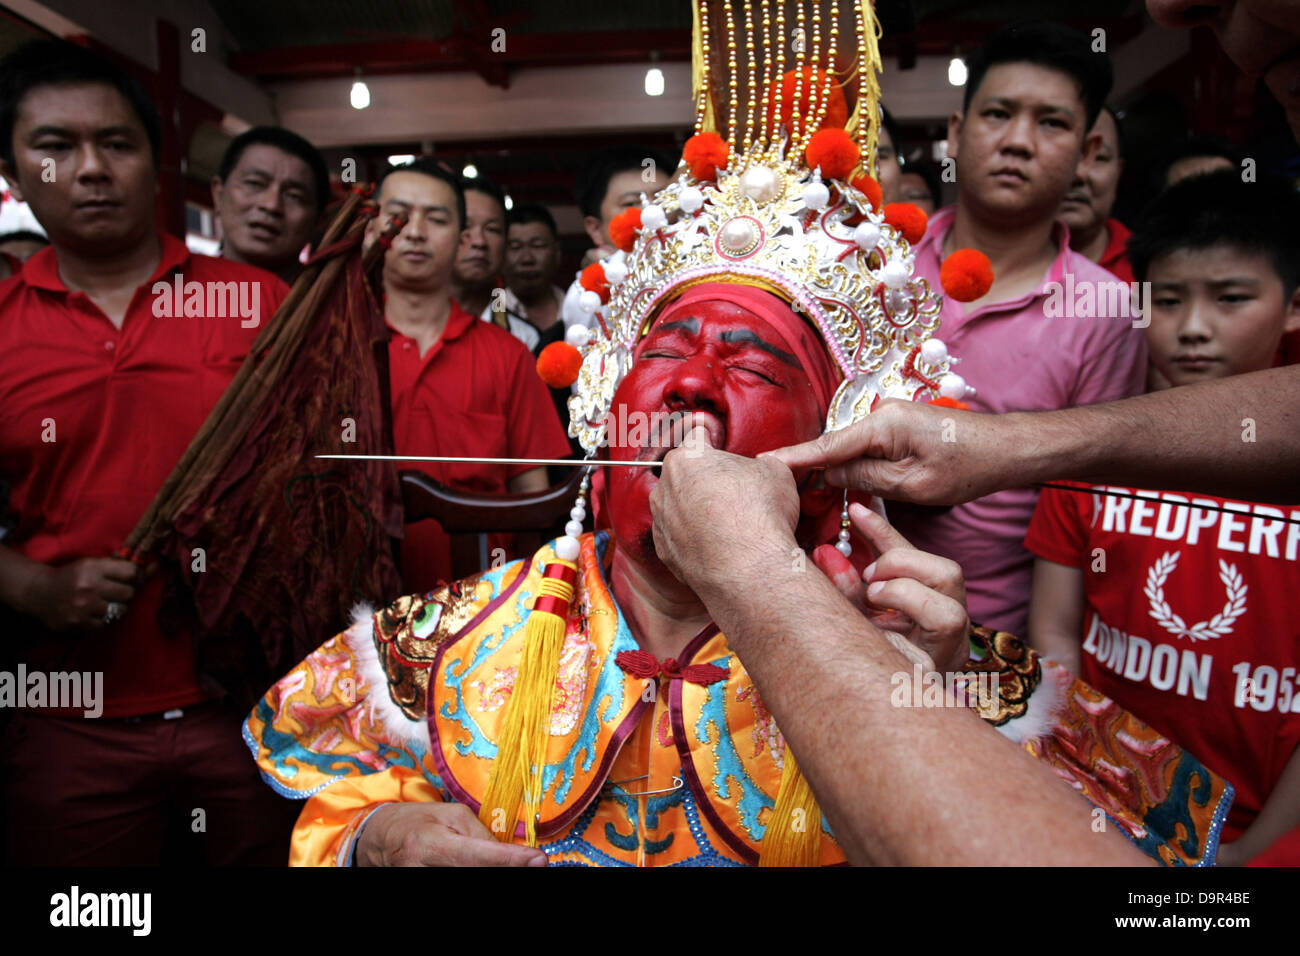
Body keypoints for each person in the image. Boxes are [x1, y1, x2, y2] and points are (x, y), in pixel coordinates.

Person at [245, 13, 1226, 867]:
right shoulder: (453, 638)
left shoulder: (918, 663)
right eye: (663, 347)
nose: (689, 383)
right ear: (606, 402)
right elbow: (334, 801)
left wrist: (940, 694)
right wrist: (374, 840)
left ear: (832, 447)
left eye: (753, 366)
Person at [0, 39, 294, 865]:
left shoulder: (257, 303)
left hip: (245, 705)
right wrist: (32, 585)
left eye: (117, 144)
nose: (90, 169)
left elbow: (322, 488)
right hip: (65, 710)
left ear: (156, 165)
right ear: (15, 173)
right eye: (55, 147)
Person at [1026, 171, 1300, 864]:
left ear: (1293, 308)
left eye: (1232, 298)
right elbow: (1056, 633)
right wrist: (1072, 784)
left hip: (1265, 833)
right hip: (1098, 805)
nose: (1194, 329)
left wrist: (1252, 855)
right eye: (1168, 301)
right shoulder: (1093, 451)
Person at [892, 22, 1146, 638]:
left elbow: (1086, 504)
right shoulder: (882, 262)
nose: (1019, 142)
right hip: (828, 605)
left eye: (1052, 123)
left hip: (984, 639)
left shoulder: (1106, 308)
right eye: (999, 114)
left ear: (1087, 154)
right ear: (956, 133)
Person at [371, 160, 570, 593]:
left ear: (461, 238)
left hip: (483, 607)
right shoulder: (339, 350)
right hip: (359, 602)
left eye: (437, 219)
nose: (416, 231)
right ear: (372, 227)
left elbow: (532, 505)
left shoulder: (509, 355)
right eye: (399, 215)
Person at [561, 145, 673, 332]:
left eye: (662, 197)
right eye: (631, 203)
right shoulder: (587, 293)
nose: (653, 210)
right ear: (595, 229)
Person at [211, 125, 328, 283]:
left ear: (319, 221)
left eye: (293, 196)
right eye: (255, 184)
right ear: (218, 194)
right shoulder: (174, 289)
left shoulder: (339, 303)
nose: (271, 205)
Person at [447, 172, 539, 347]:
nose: (479, 241)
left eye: (492, 229)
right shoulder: (410, 329)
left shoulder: (524, 339)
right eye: (465, 226)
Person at [1059, 106, 1132, 282]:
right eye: (1062, 156)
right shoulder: (993, 266)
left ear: (1119, 173)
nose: (1078, 174)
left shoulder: (1147, 265)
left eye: (1098, 158)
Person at [499, 202, 565, 353]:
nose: (527, 259)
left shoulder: (578, 311)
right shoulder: (490, 315)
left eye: (538, 246)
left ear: (557, 253)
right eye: (515, 247)